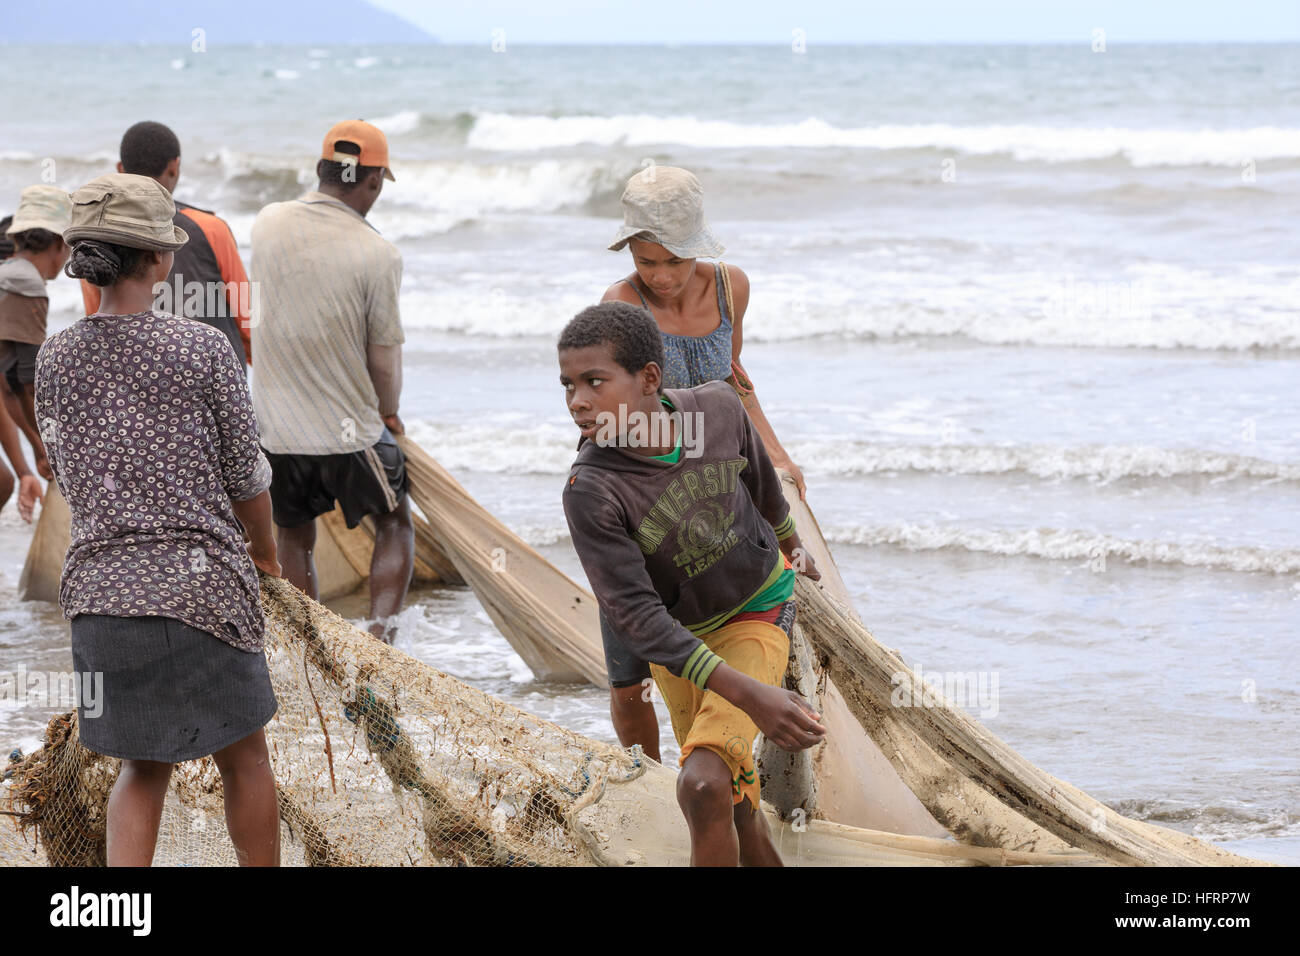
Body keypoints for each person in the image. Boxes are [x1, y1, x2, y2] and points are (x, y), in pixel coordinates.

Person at [35, 173, 280, 867]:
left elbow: (65, 471)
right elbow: (246, 475)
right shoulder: (203, 349)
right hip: (203, 594)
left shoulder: (55, 356)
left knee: (141, 770)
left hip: (101, 598)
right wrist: (266, 554)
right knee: (247, 759)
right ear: (160, 259)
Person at [559, 301, 825, 866]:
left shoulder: (718, 408)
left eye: (594, 382)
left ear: (649, 378)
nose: (577, 400)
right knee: (729, 801)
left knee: (702, 784)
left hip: (758, 608)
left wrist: (791, 543)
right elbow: (636, 618)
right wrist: (749, 694)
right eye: (568, 385)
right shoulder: (593, 489)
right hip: (682, 645)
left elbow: (760, 480)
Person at [597, 165, 809, 759]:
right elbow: (619, 416)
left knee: (740, 625)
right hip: (644, 491)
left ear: (698, 249)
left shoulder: (731, 287)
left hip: (719, 488)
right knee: (630, 665)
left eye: (675, 261)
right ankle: (650, 775)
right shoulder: (621, 305)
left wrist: (776, 452)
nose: (661, 277)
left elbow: (735, 383)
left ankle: (727, 767)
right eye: (646, 262)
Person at [249, 120, 413, 643]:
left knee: (294, 537)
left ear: (323, 169)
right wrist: (388, 411)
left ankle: (312, 650)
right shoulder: (379, 253)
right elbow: (383, 359)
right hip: (349, 435)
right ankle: (379, 641)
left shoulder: (267, 223)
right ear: (372, 183)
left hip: (275, 433)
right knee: (394, 520)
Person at [79, 121, 253, 368]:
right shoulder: (210, 228)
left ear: (121, 169)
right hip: (213, 376)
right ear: (174, 167)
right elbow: (245, 315)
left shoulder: (96, 234)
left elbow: (96, 316)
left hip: (134, 382)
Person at [0, 186, 70, 521]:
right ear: (59, 243)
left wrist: (35, 448)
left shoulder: (6, 274)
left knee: (3, 482)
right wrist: (45, 448)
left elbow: (6, 382)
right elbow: (24, 382)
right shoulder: (28, 287)